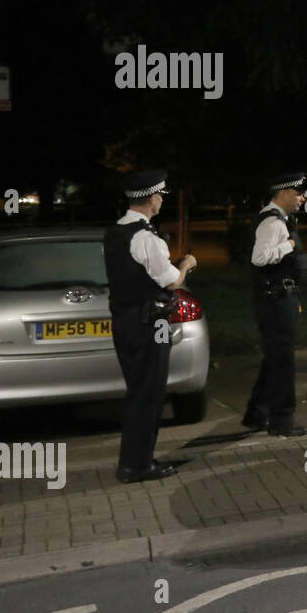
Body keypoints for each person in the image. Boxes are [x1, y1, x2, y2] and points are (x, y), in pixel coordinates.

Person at [103, 170, 197, 483]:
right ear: (151, 198)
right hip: (150, 324)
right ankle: (137, 466)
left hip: (126, 321)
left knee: (139, 392)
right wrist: (186, 264)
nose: (161, 201)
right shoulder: (146, 238)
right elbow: (171, 281)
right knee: (149, 394)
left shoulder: (116, 231)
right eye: (160, 196)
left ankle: (136, 460)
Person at [243, 171, 307, 436]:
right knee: (283, 362)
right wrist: (289, 245)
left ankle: (256, 413)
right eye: (298, 193)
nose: (303, 198)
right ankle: (282, 420)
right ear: (283, 193)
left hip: (277, 300)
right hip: (275, 302)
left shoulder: (278, 219)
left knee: (274, 360)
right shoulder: (273, 223)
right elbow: (260, 258)